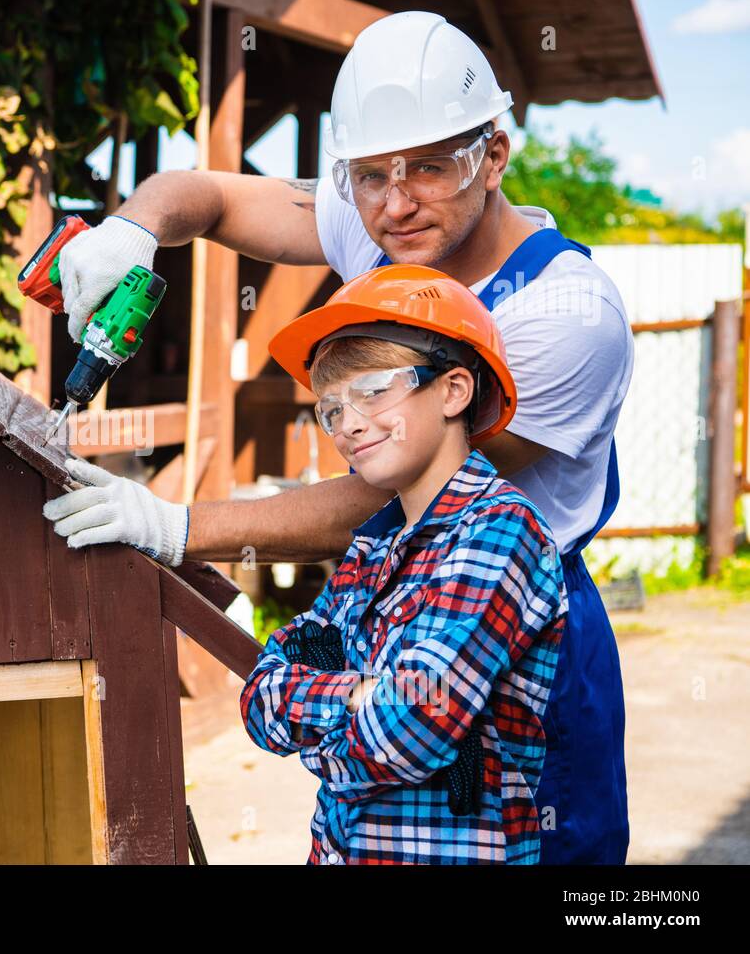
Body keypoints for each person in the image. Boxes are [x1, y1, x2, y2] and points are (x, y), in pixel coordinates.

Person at [42, 10, 632, 863]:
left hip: (512, 622)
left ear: (494, 154)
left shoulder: (567, 314)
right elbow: (205, 196)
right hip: (391, 595)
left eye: (429, 167)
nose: (394, 204)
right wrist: (135, 228)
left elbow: (387, 497)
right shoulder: (388, 212)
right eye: (367, 175)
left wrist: (178, 528)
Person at [239, 263, 565, 864]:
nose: (348, 423)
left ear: (453, 390)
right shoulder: (373, 545)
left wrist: (324, 700)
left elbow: (413, 727)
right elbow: (259, 696)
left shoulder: (500, 531)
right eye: (330, 408)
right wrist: (364, 694)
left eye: (373, 390)